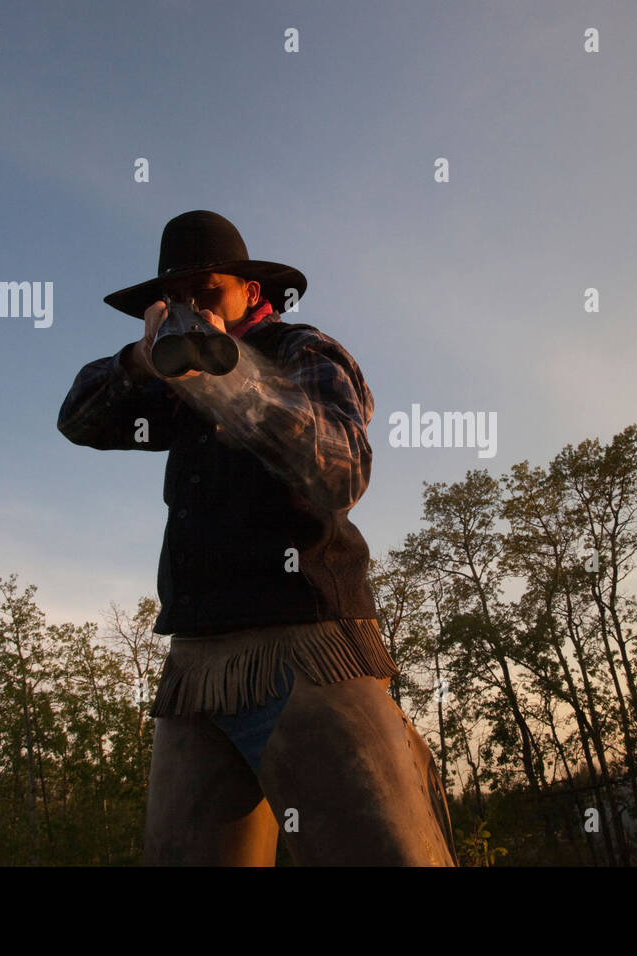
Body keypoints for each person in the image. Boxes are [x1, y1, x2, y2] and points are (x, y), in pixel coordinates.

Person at [57, 210, 457, 866]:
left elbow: (343, 471)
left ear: (249, 290)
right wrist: (142, 361)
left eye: (206, 293)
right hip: (195, 671)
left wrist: (230, 380)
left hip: (307, 647)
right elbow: (76, 417)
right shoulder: (169, 379)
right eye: (174, 300)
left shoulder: (304, 350)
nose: (191, 310)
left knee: (386, 854)